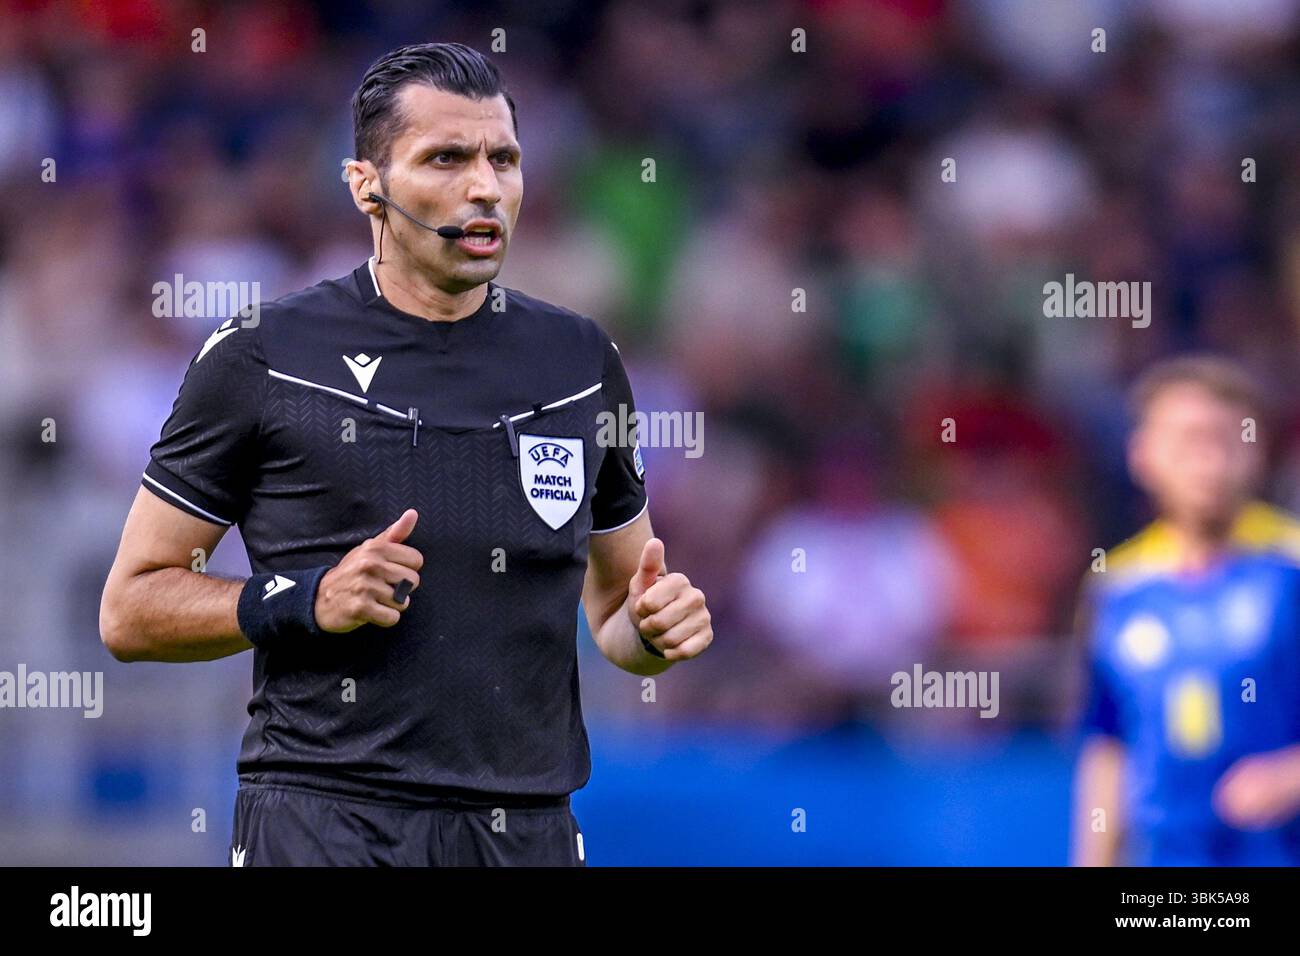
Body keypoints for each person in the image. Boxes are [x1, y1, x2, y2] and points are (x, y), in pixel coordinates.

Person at [99, 42, 713, 866]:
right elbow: (129, 610)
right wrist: (304, 601)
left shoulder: (579, 363)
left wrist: (653, 627)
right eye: (447, 158)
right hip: (326, 821)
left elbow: (613, 611)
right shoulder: (263, 355)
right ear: (366, 186)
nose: (485, 187)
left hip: (524, 830)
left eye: (504, 158)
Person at [1070, 355, 1300, 866]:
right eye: (1187, 440)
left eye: (1225, 439)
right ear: (1141, 453)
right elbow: (1108, 746)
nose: (1208, 461)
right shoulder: (1117, 588)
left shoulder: (1290, 567)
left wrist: (1290, 776)